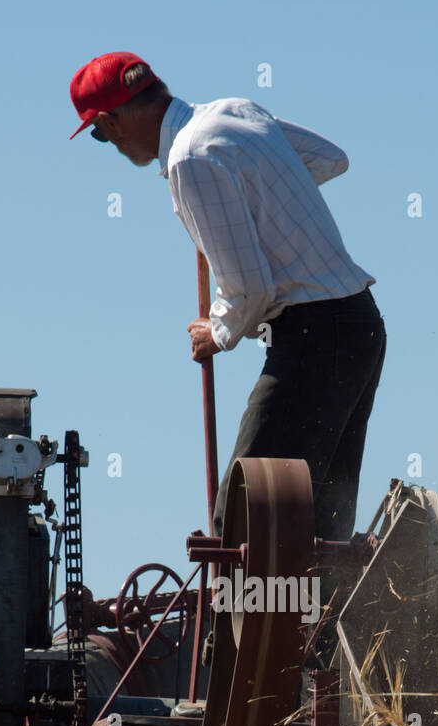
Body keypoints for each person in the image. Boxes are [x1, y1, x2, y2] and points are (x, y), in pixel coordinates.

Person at [69, 52, 385, 549]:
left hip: (313, 336)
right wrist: (255, 200)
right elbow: (330, 160)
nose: (107, 142)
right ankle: (317, 626)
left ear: (110, 122)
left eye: (100, 135)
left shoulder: (189, 160)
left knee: (247, 515)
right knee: (319, 520)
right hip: (360, 326)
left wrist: (216, 332)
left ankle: (242, 626)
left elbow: (251, 289)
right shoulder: (237, 111)